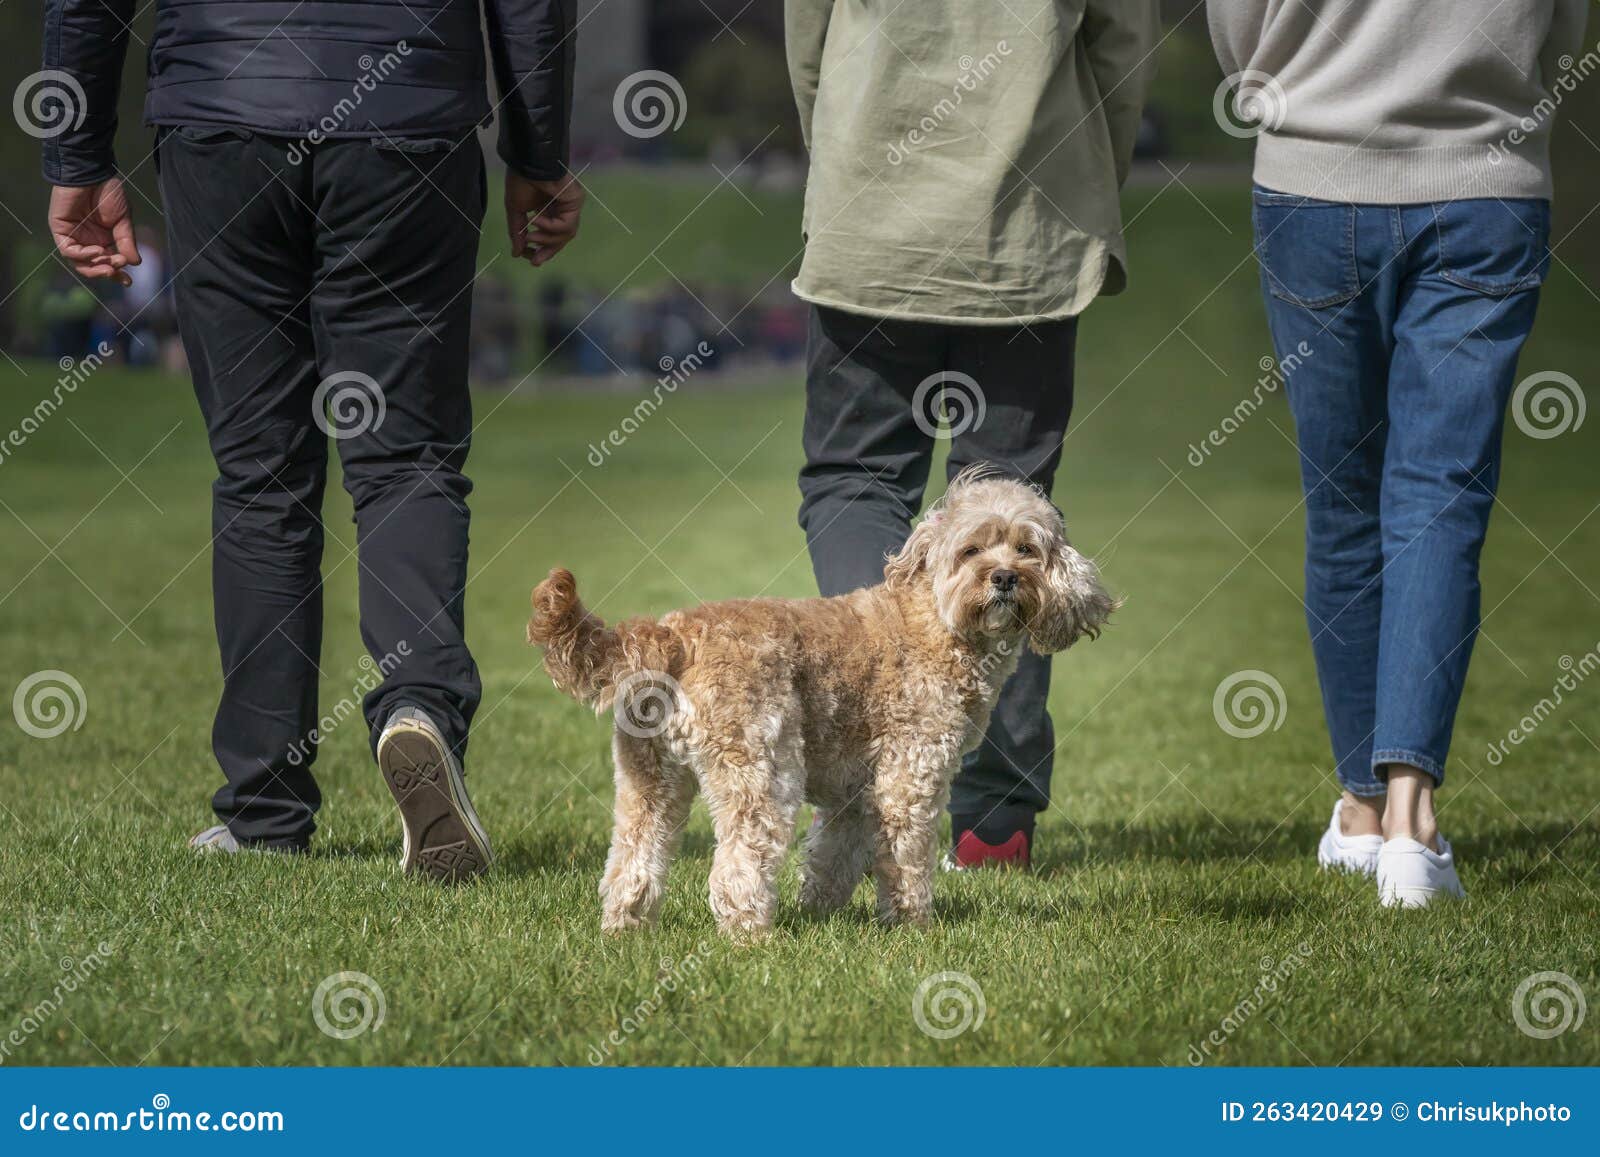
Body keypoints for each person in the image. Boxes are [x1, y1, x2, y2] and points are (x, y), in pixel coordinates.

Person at [42, 0, 586, 879]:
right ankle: (419, 711)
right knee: (407, 459)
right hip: (406, 119)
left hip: (221, 115)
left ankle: (263, 811)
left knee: (261, 473)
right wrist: (539, 154)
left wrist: (77, 154)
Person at [1209, 0, 1589, 905]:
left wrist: (1296, 81)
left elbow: (1235, 23)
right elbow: (1564, 27)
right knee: (1439, 498)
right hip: (1486, 174)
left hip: (1312, 173)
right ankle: (1407, 828)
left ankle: (1363, 808)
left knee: (1343, 498)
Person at [786, 1, 1160, 868]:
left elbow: (809, 36)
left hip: (869, 211)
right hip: (1030, 221)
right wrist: (1091, 177)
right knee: (1016, 519)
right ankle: (992, 819)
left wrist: (838, 153)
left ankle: (876, 750)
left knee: (855, 481)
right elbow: (1122, 46)